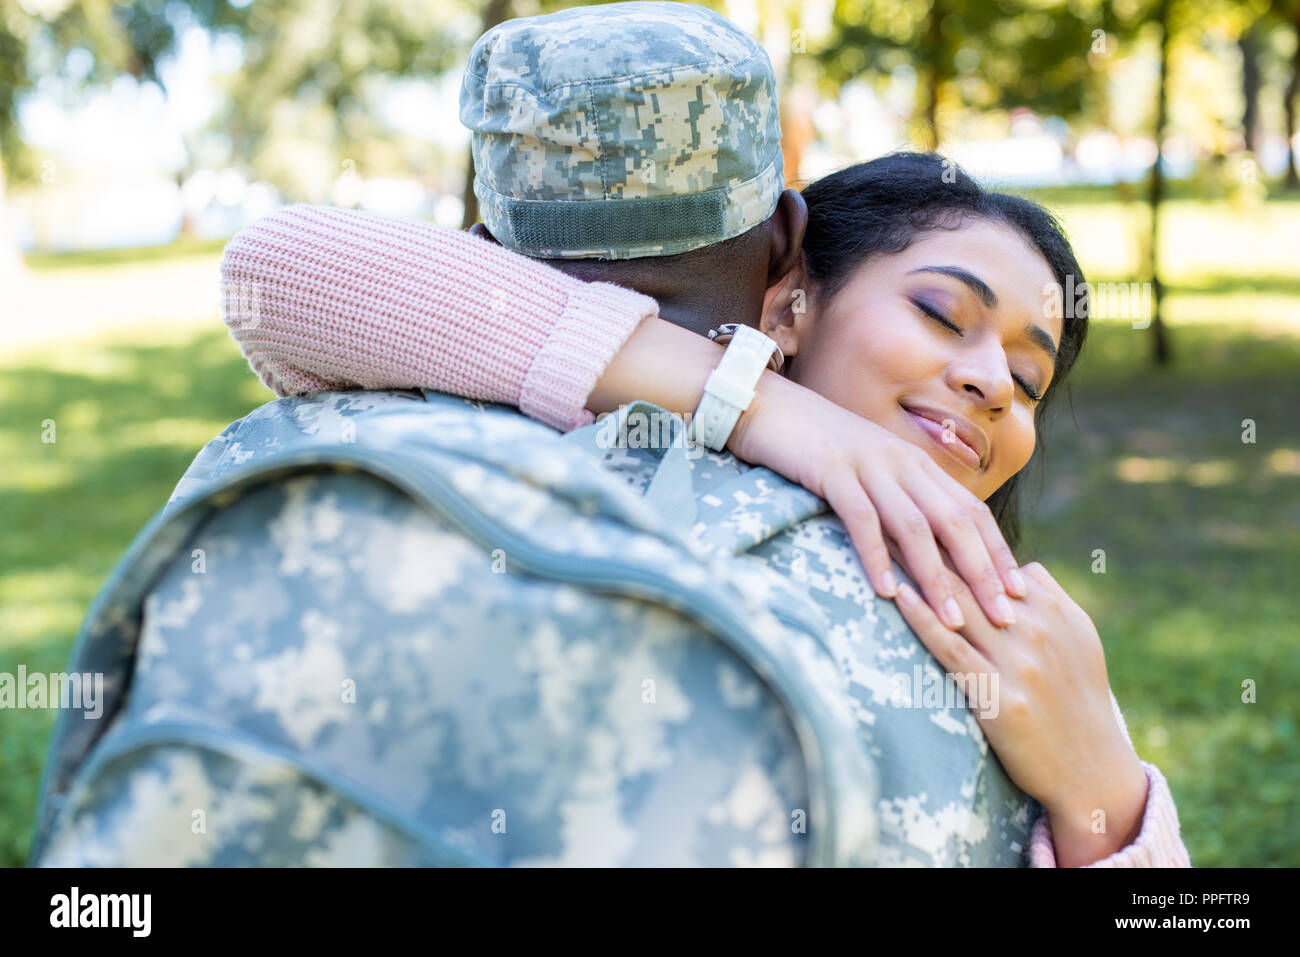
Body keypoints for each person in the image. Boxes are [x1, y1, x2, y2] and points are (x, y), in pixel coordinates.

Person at [215, 3, 1191, 866]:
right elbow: (289, 269)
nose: (990, 381)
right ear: (788, 284)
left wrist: (1100, 781)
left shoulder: (274, 458)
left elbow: (277, 272)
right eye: (939, 312)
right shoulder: (895, 637)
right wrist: (1108, 808)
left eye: (1028, 381)